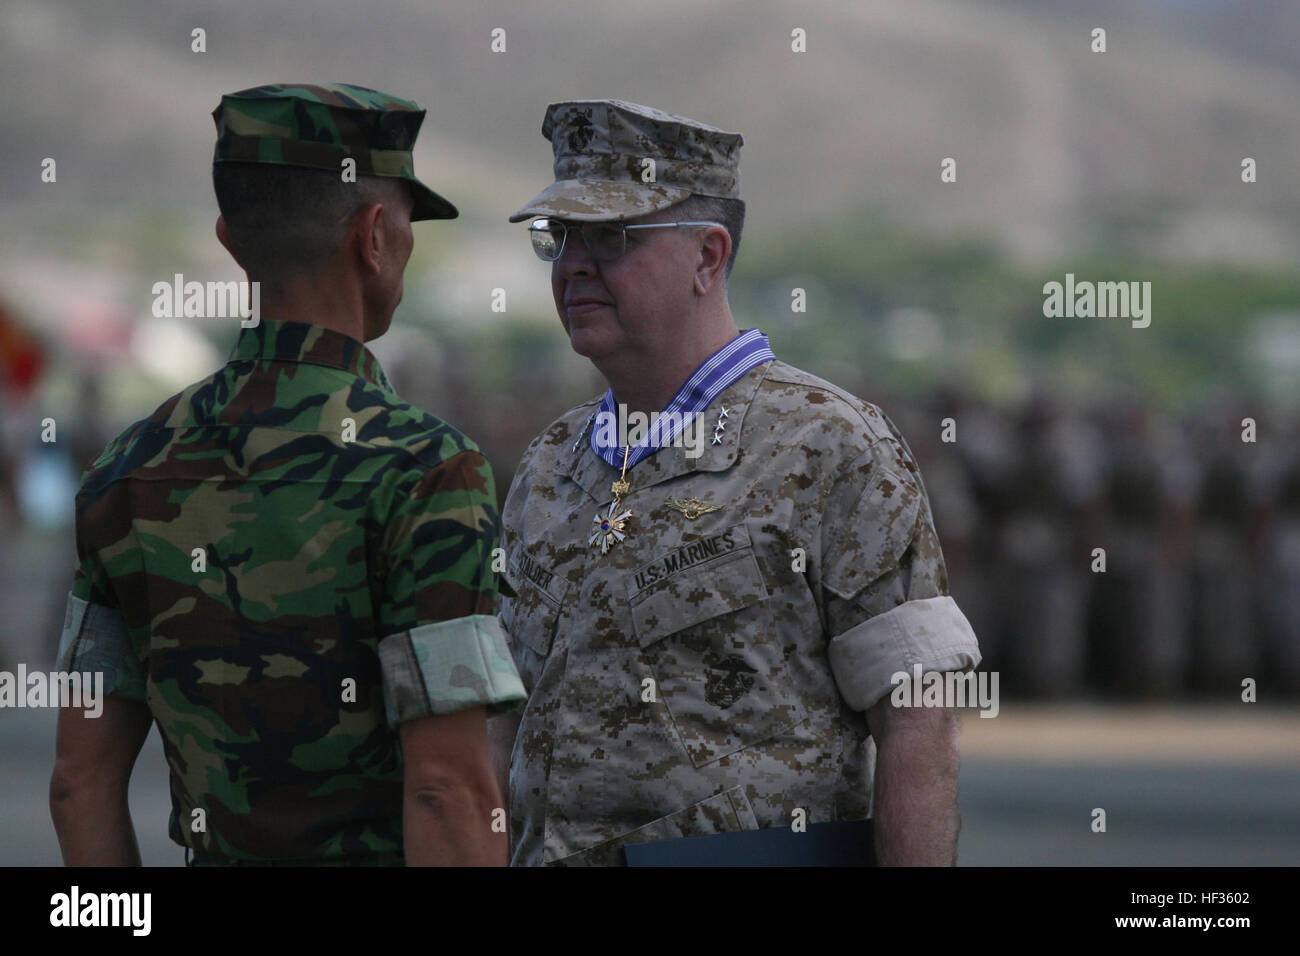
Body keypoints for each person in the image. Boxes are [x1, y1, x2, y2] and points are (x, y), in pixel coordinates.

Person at [491, 99, 982, 866]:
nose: (575, 265)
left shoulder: (827, 442)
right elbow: (502, 724)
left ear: (708, 256)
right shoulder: (552, 460)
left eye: (612, 237)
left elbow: (917, 715)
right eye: (558, 238)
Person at [49, 83, 525, 866]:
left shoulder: (126, 470)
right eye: (408, 228)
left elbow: (78, 784)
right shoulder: (428, 470)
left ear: (230, 239)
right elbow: (446, 789)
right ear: (374, 236)